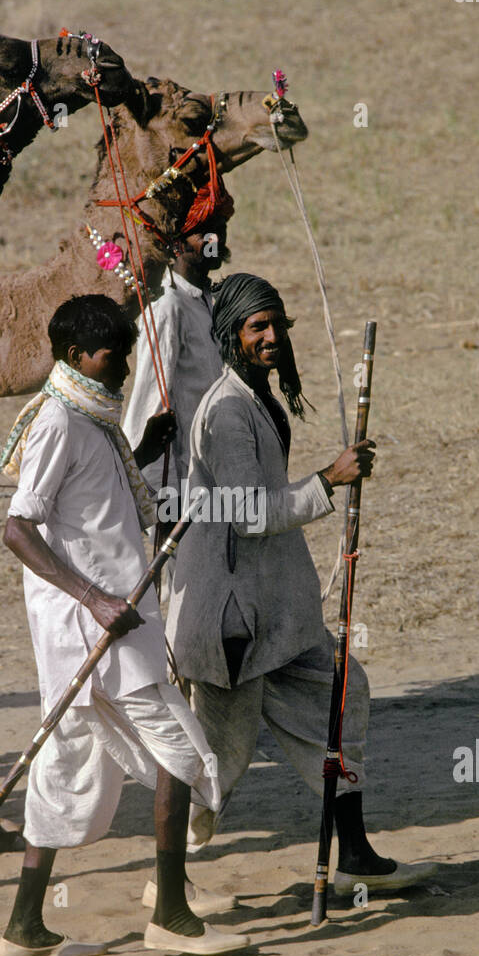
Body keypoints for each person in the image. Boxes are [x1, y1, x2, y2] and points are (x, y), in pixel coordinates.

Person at [165, 272, 436, 898]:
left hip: (277, 618)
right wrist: (328, 480)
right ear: (232, 335)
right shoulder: (229, 410)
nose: (271, 337)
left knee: (342, 698)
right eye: (257, 326)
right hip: (232, 622)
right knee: (219, 764)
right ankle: (168, 881)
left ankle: (358, 859)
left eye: (277, 325)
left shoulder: (256, 397)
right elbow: (249, 514)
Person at [0, 294, 249, 956]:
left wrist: (143, 450)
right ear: (76, 357)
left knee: (63, 770)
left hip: (115, 625)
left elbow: (93, 508)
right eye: (113, 356)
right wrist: (96, 600)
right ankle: (170, 915)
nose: (126, 367)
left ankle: (23, 930)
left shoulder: (95, 417)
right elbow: (18, 529)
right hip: (93, 630)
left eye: (129, 352)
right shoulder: (57, 421)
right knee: (182, 755)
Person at [122, 186, 234, 505]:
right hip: (179, 478)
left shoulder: (212, 301)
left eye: (220, 232)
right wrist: (157, 489)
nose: (215, 242)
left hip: (213, 465)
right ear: (175, 243)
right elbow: (151, 399)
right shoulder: (169, 305)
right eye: (204, 234)